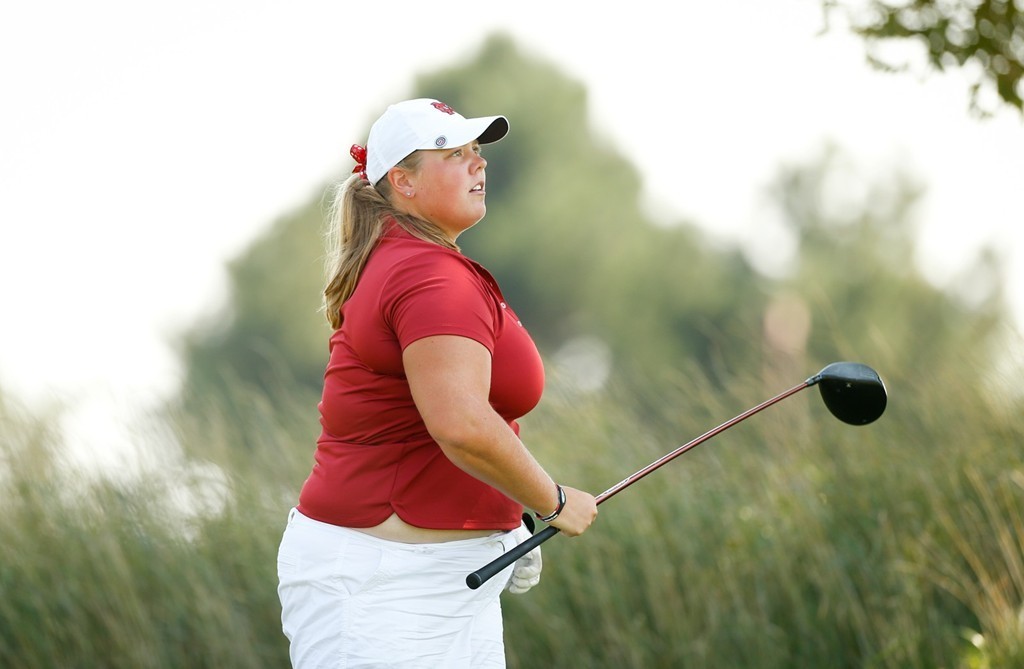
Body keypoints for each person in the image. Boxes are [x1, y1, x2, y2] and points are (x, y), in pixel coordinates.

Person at [276, 98, 599, 668]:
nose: (478, 164)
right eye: (454, 153)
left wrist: (510, 510)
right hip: (385, 591)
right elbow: (461, 425)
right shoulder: (428, 274)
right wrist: (550, 501)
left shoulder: (418, 262)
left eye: (477, 152)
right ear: (402, 180)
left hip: (442, 586)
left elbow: (443, 427)